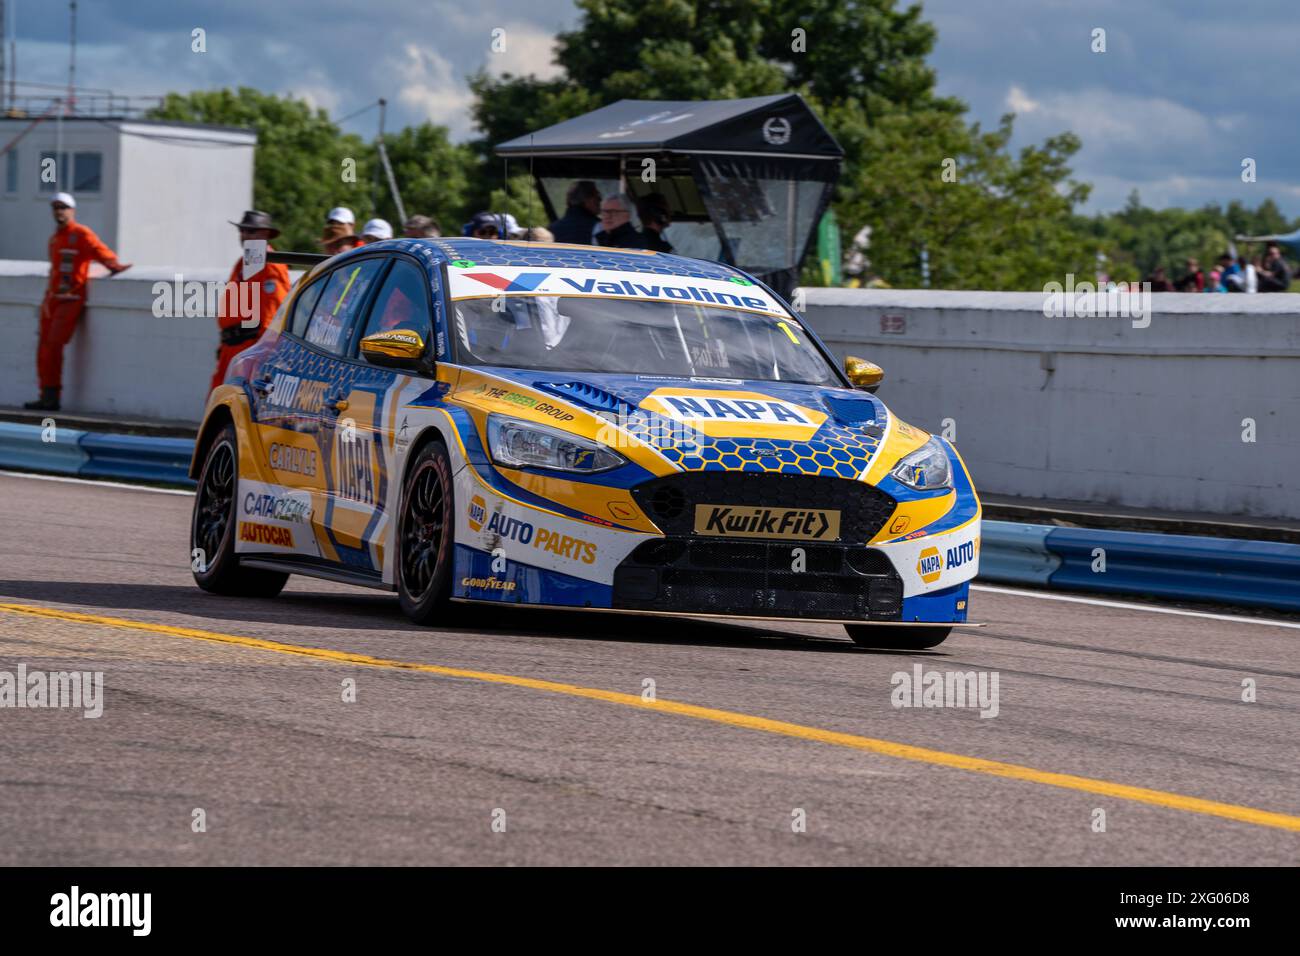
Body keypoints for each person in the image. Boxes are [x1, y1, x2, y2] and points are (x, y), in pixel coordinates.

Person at [23, 192, 131, 411]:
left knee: (53, 347)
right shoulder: (55, 238)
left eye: (63, 207)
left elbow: (104, 254)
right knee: (43, 348)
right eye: (56, 207)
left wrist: (114, 266)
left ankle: (52, 398)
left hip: (71, 299)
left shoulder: (81, 234)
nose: (59, 211)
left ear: (72, 210)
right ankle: (46, 395)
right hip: (52, 300)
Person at [211, 210, 291, 392]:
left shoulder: (271, 266)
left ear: (265, 234)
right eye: (243, 231)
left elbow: (273, 313)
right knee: (216, 403)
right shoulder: (243, 263)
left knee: (234, 404)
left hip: (250, 349)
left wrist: (261, 354)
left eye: (251, 231)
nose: (245, 235)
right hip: (231, 348)